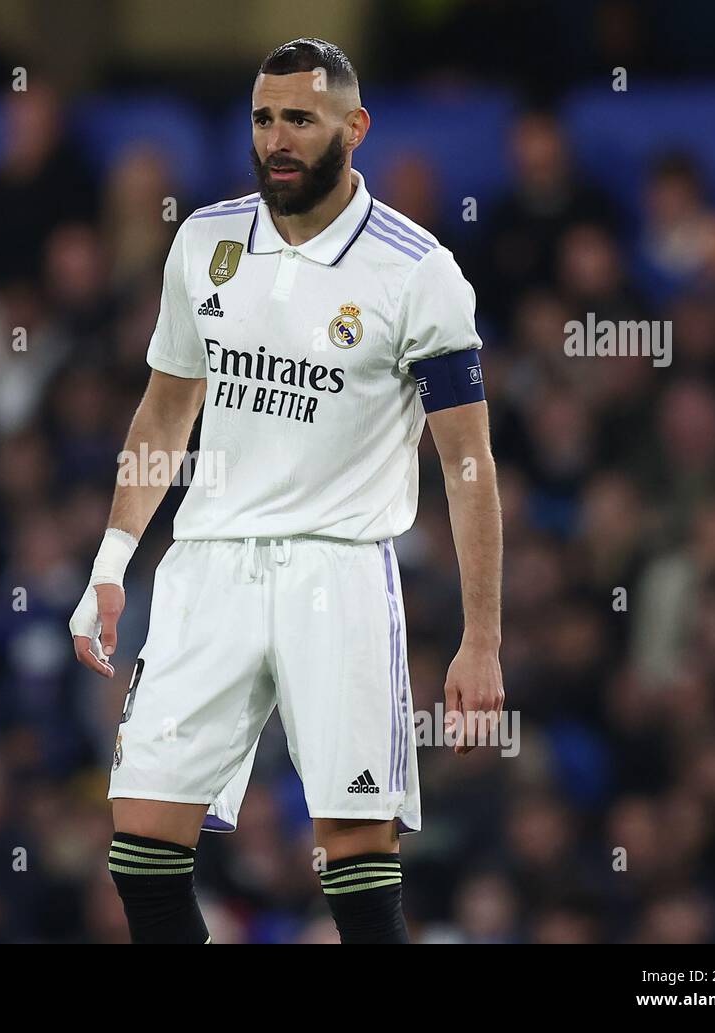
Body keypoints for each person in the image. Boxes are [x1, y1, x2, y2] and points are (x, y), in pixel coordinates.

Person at [69, 38, 504, 944]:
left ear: (355, 127)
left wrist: (481, 642)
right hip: (210, 563)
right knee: (139, 848)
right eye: (264, 118)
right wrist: (113, 559)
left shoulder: (417, 271)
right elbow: (163, 412)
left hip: (337, 571)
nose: (277, 137)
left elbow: (467, 465)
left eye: (299, 118)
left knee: (354, 864)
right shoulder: (206, 241)